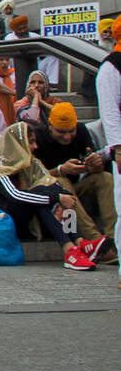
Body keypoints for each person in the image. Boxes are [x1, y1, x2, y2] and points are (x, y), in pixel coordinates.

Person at [0, 122, 99, 271]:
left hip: (29, 217)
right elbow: (15, 195)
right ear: (18, 143)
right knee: (43, 199)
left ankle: (80, 242)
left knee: (50, 192)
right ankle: (69, 250)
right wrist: (56, 198)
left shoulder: (32, 162)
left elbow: (52, 182)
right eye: (31, 142)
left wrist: (62, 197)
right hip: (3, 221)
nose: (35, 147)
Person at [32, 102, 116, 258]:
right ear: (50, 126)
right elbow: (33, 176)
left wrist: (94, 164)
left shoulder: (82, 131)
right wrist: (60, 170)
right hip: (51, 195)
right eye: (61, 132)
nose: (67, 136)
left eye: (71, 131)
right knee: (61, 181)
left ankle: (114, 238)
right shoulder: (38, 137)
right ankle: (95, 240)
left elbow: (92, 163)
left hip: (76, 187)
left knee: (104, 178)